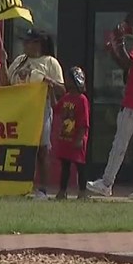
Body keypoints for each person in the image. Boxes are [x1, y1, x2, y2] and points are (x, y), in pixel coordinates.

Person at [86, 17, 133, 201]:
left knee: (120, 143)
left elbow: (128, 64)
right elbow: (132, 69)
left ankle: (106, 183)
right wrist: (116, 49)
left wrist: (118, 45)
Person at [1, 28, 65, 201]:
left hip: (40, 110)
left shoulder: (50, 62)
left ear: (38, 44)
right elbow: (6, 83)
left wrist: (49, 81)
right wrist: (3, 63)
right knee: (20, 149)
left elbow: (62, 90)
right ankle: (19, 185)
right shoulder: (20, 61)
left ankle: (42, 189)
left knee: (41, 150)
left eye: (28, 41)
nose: (24, 45)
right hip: (20, 110)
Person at [52, 66, 90, 200]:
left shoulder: (82, 100)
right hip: (65, 138)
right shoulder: (66, 97)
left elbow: (84, 122)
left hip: (76, 139)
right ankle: (62, 191)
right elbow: (56, 108)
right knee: (65, 167)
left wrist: (80, 139)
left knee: (80, 166)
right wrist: (51, 91)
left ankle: (83, 191)